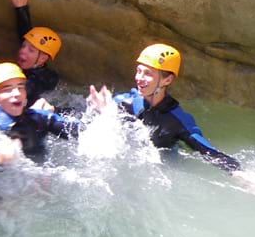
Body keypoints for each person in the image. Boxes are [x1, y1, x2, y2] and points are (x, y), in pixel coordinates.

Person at [87, 43, 241, 172]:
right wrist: (103, 112)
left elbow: (209, 152)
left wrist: (241, 175)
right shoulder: (122, 103)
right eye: (139, 71)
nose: (139, 78)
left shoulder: (177, 120)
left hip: (163, 169)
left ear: (167, 80)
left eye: (148, 74)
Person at [0, 62, 81, 162]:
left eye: (20, 87)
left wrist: (97, 113)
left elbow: (80, 133)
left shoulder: (40, 118)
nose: (16, 93)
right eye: (7, 89)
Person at [9, 0, 62, 108]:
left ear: (43, 59)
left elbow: (28, 89)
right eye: (23, 46)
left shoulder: (46, 77)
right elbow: (26, 37)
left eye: (30, 50)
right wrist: (21, 8)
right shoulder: (32, 61)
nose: (22, 51)